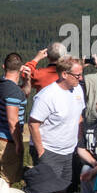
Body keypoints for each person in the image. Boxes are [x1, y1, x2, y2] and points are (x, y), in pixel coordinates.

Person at [27, 56, 85, 186]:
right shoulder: (47, 96)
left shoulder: (77, 89)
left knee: (65, 189)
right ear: (64, 74)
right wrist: (42, 153)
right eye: (77, 75)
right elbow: (33, 124)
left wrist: (78, 141)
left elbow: (79, 116)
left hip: (70, 150)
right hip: (50, 151)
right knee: (47, 190)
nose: (80, 78)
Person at [0, 53, 27, 184]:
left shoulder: (0, 83)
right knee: (6, 182)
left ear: (3, 66)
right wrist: (18, 143)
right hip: (8, 142)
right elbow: (12, 121)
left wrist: (27, 81)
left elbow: (23, 94)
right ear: (21, 69)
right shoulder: (13, 92)